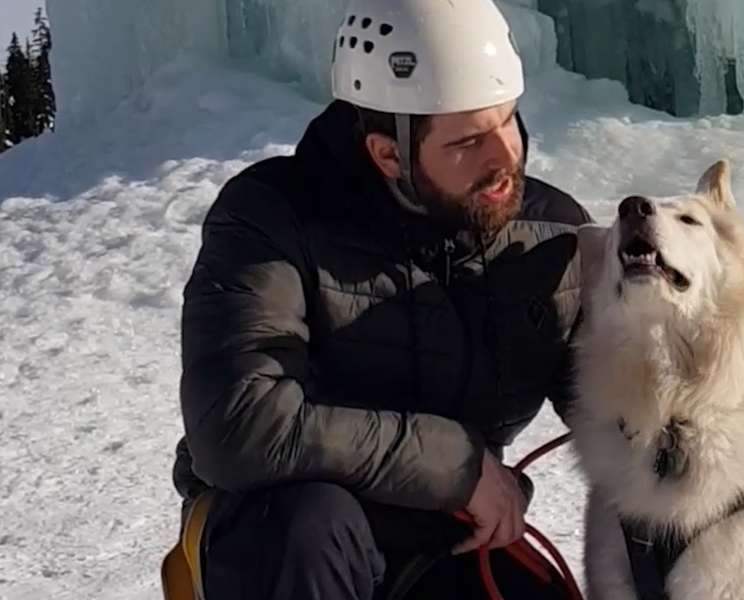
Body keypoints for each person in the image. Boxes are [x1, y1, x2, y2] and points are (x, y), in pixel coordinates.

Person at [170, 0, 590, 597]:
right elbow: (238, 425)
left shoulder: (553, 232)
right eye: (469, 141)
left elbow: (626, 422)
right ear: (388, 154)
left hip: (446, 538)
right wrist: (455, 465)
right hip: (285, 541)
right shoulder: (270, 218)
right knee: (309, 524)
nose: (505, 157)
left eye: (509, 120)